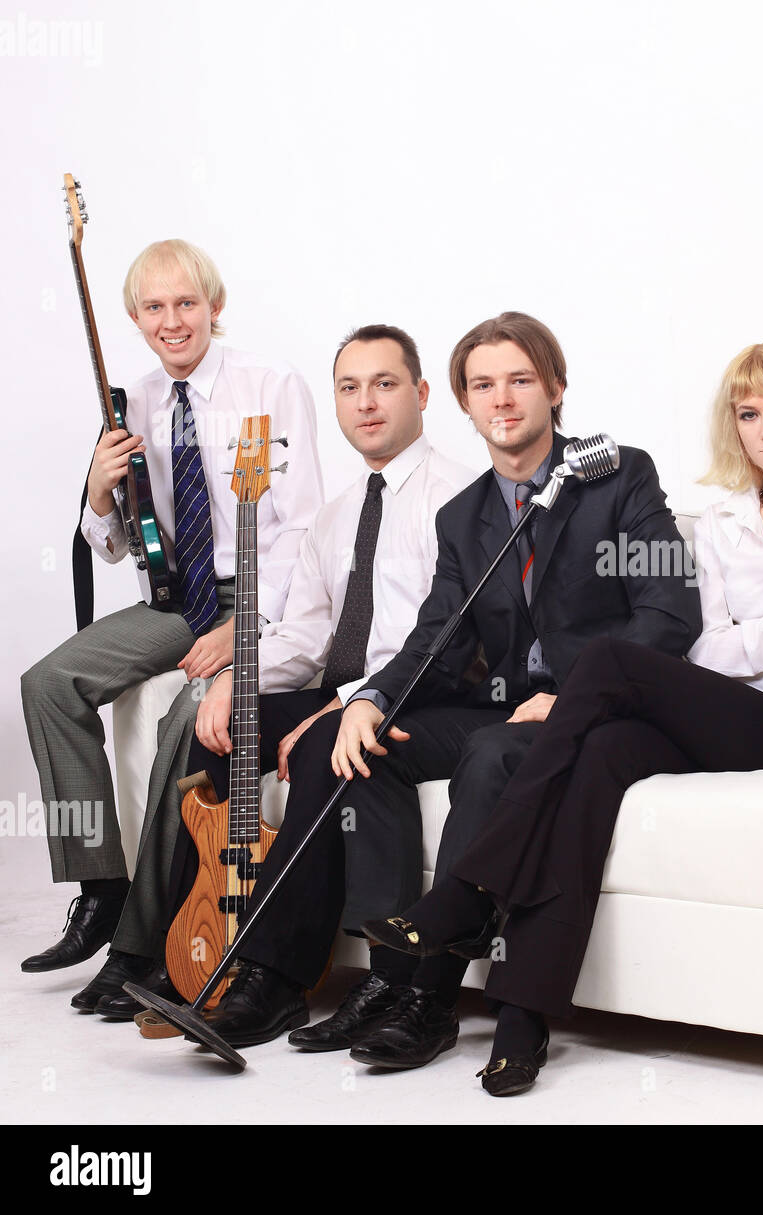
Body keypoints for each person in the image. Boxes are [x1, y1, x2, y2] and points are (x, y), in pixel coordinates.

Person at [190, 311, 702, 1052]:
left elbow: (670, 612)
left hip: (606, 713)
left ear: (556, 388)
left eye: (521, 380)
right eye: (484, 385)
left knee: (491, 751)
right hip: (505, 708)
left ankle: (430, 998)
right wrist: (368, 701)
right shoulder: (464, 517)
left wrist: (574, 694)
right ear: (462, 401)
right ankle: (385, 975)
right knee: (356, 742)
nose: (503, 399)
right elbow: (437, 634)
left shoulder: (618, 476)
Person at [361, 339, 763, 1093]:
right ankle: (522, 1016)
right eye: (749, 414)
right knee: (595, 760)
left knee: (606, 666)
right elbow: (713, 652)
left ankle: (463, 892)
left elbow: (692, 629)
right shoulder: (719, 521)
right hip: (720, 712)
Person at [88, 324, 478, 1023]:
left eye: (384, 384)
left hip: (422, 695)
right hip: (344, 689)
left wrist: (343, 708)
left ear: (420, 393)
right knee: (217, 733)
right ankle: (194, 951)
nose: (366, 403)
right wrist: (241, 677)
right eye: (349, 388)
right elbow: (305, 633)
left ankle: (274, 981)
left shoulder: (458, 500)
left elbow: (447, 643)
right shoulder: (337, 514)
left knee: (331, 749)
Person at [20, 240, 323, 1006]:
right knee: (50, 681)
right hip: (174, 598)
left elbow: (301, 526)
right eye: (154, 307)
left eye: (186, 303)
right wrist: (97, 493)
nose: (172, 320)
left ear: (213, 307)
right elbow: (124, 545)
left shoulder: (269, 384)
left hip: (250, 595)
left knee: (188, 713)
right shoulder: (136, 403)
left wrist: (246, 627)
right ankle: (101, 889)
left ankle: (140, 943)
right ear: (134, 317)